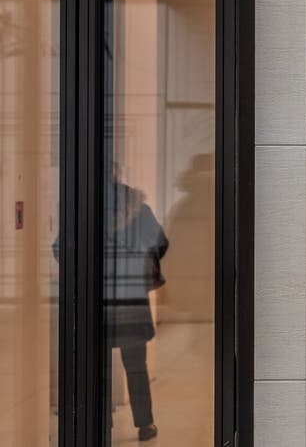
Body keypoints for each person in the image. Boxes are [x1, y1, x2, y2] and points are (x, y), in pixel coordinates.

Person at [105, 179, 169, 442]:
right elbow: (161, 242)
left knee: (98, 367)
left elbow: (60, 248)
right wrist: (141, 263)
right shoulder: (139, 210)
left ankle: (101, 422)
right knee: (136, 367)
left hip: (99, 299)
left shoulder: (86, 207)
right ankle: (145, 424)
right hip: (131, 298)